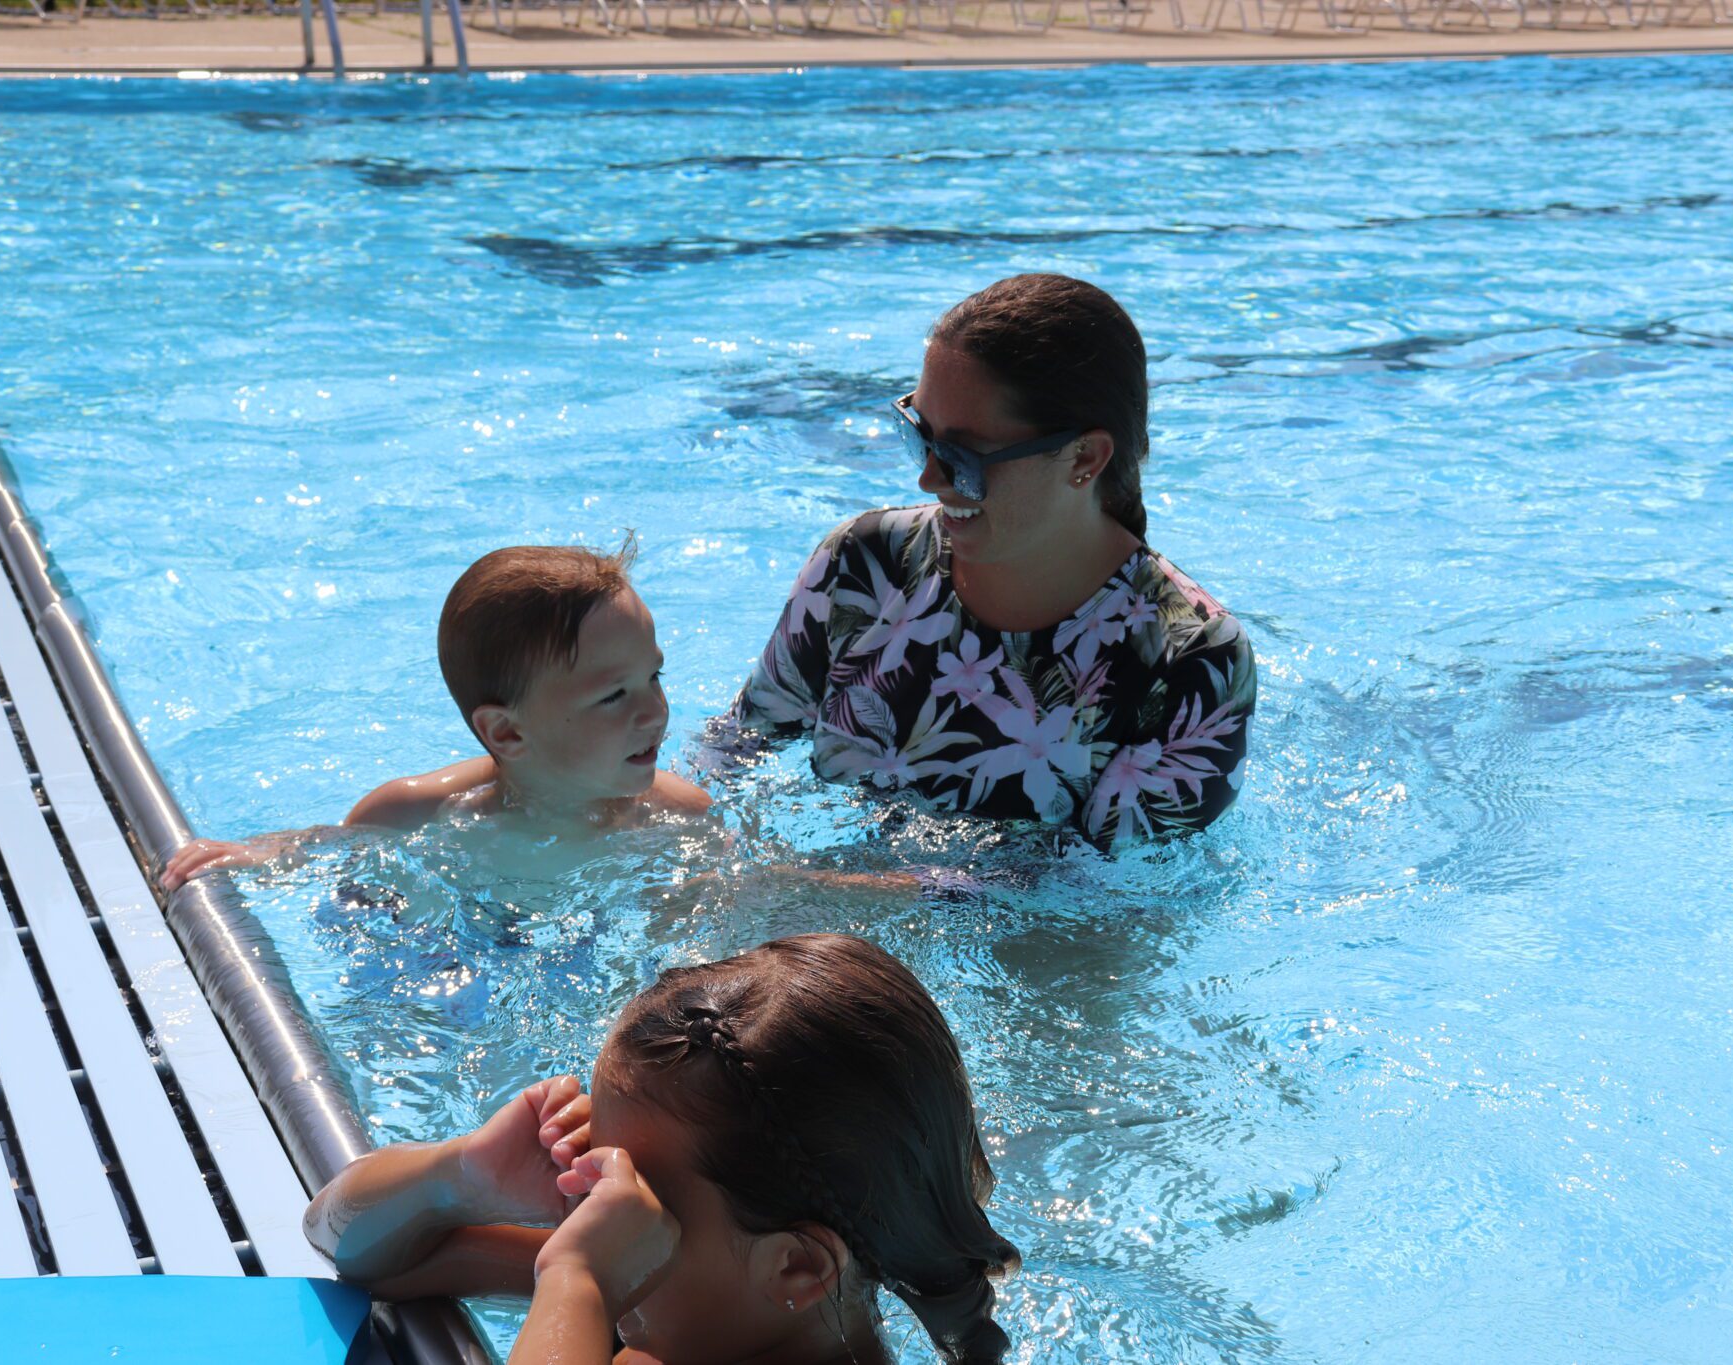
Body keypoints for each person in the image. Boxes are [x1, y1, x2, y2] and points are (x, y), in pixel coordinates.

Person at [302, 933, 1020, 1365]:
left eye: (636, 1193)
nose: (597, 1200)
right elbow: (354, 1248)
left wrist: (577, 1278)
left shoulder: (617, 1280)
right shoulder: (698, 1286)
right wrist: (462, 1178)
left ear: (797, 1264)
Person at [729, 274, 1255, 850]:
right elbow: (738, 748)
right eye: (919, 434)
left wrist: (837, 891)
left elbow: (1105, 912)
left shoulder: (1193, 661)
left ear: (1084, 457)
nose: (927, 477)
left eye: (961, 456)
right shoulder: (865, 563)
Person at [161, 543, 710, 890]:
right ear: (507, 732)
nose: (654, 711)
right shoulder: (418, 813)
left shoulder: (677, 817)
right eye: (614, 696)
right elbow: (331, 850)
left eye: (654, 677)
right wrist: (266, 853)